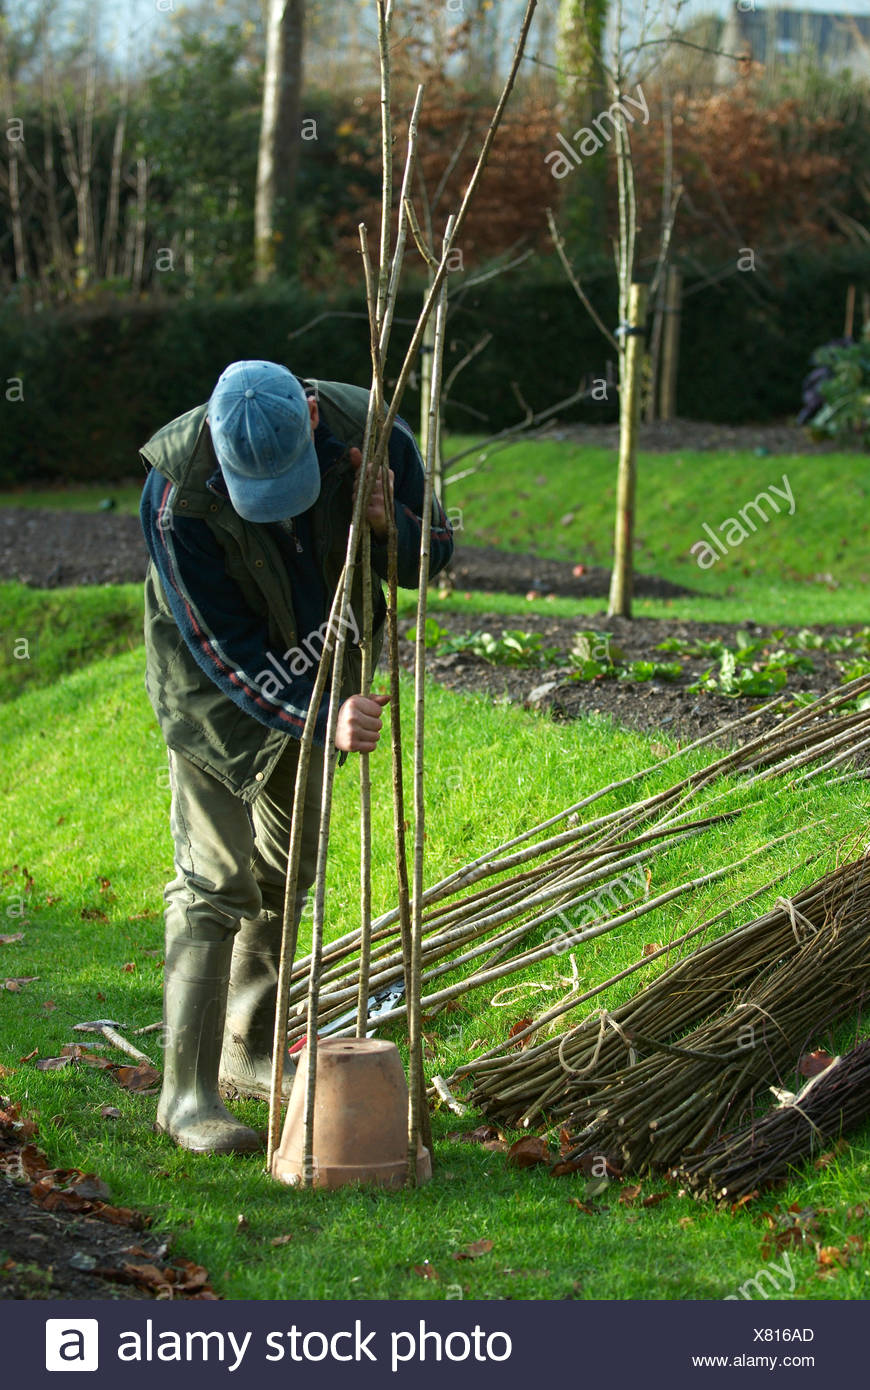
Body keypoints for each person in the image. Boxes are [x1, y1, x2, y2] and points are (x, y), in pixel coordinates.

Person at [139, 360, 454, 1154]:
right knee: (216, 881)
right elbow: (222, 650)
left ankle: (248, 1047)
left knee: (288, 871)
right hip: (216, 696)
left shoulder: (373, 435)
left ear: (312, 420)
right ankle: (185, 1097)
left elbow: (436, 551)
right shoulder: (178, 496)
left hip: (326, 673)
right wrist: (320, 717)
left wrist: (393, 529)